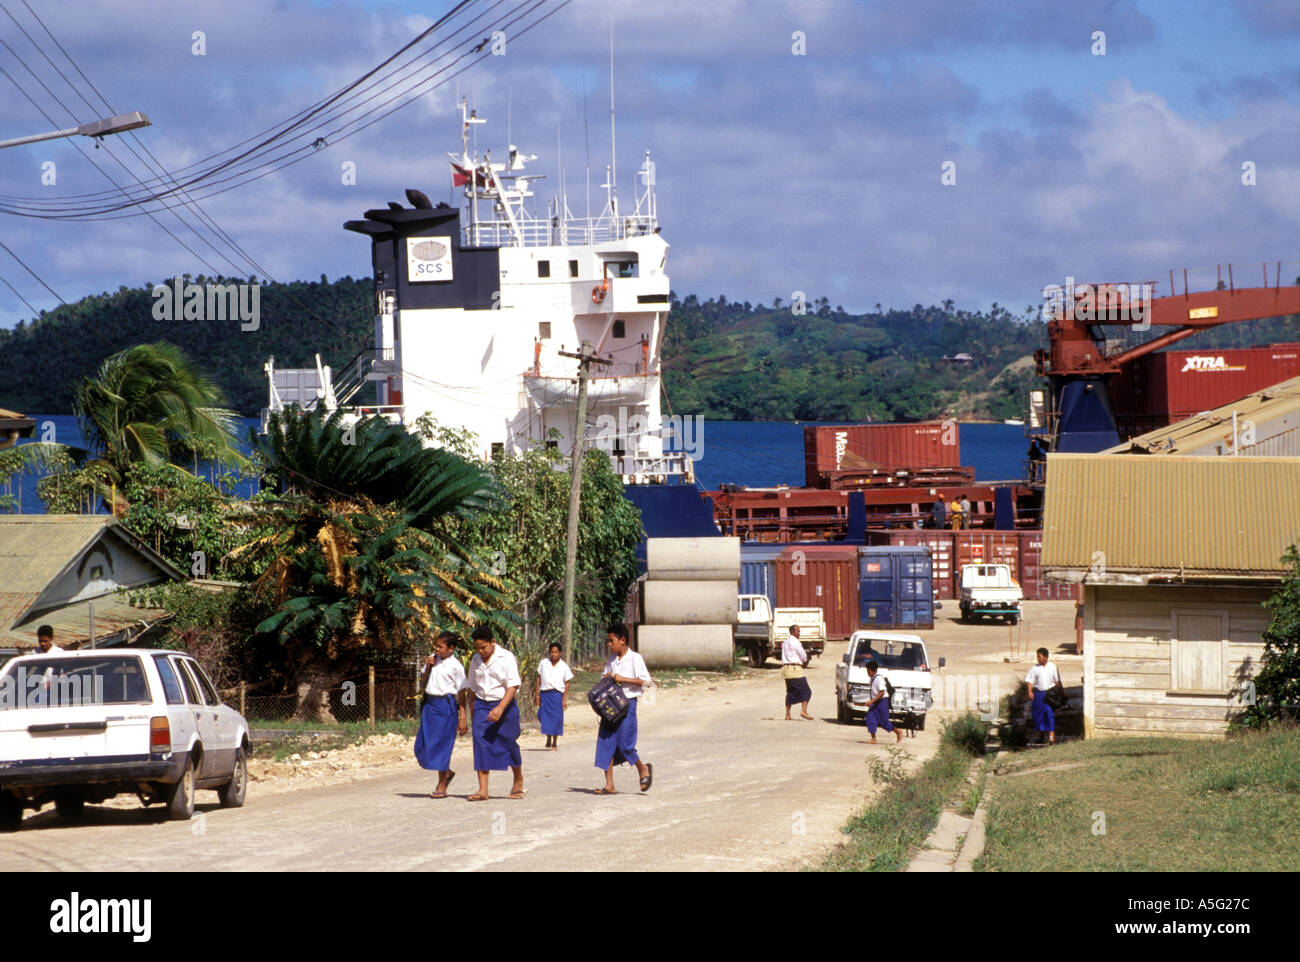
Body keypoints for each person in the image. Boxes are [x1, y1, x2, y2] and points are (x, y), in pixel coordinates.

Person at [463, 624, 525, 800]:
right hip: (482, 704)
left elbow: (513, 686)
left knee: (508, 741)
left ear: (492, 642)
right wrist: (471, 712)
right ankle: (483, 790)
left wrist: (500, 707)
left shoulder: (506, 657)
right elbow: (473, 688)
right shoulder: (475, 660)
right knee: (480, 742)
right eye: (477, 648)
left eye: (484, 647)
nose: (481, 651)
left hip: (504, 703)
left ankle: (518, 780)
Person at [594, 623, 653, 795]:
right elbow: (604, 678)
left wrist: (623, 679)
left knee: (626, 744)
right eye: (608, 641)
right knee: (606, 742)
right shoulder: (611, 660)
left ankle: (642, 768)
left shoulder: (635, 658)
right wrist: (607, 678)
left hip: (627, 704)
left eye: (612, 641)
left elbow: (645, 681)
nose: (609, 644)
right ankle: (609, 784)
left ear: (622, 640)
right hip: (610, 706)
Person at [414, 631, 466, 798]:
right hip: (430, 705)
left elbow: (462, 692)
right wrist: (428, 665)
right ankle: (447, 772)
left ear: (450, 648)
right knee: (422, 745)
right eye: (435, 646)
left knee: (442, 745)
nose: (436, 649)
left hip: (446, 705)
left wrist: (463, 717)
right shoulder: (433, 659)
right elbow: (423, 681)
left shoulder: (456, 666)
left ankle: (442, 784)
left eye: (440, 647)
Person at [533, 641, 574, 750]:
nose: (553, 654)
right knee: (542, 716)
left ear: (560, 653)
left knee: (556, 719)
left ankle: (554, 742)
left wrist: (564, 699)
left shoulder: (564, 666)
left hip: (556, 695)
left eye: (556, 652)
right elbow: (539, 678)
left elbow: (567, 682)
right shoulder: (543, 663)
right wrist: (537, 694)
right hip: (545, 694)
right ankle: (548, 737)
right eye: (551, 652)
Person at [1025, 647, 1064, 745]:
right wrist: (1030, 692)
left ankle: (1051, 738)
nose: (1037, 658)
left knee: (1049, 714)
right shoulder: (1035, 668)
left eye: (1039, 656)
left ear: (1045, 657)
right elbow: (1030, 680)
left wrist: (1061, 692)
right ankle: (1041, 736)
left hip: (1049, 695)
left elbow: (1057, 681)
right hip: (1038, 694)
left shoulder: (1052, 667)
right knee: (1039, 716)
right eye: (1037, 656)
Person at [863, 660, 902, 744]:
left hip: (882, 702)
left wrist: (872, 701)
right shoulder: (872, 679)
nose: (867, 673)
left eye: (868, 671)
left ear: (871, 670)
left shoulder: (879, 679)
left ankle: (898, 732)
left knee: (884, 721)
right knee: (870, 718)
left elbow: (882, 692)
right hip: (875, 702)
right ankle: (873, 738)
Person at [781, 624, 813, 721]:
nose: (799, 633)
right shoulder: (795, 642)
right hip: (795, 668)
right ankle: (803, 711)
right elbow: (803, 656)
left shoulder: (785, 642)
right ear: (792, 632)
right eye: (798, 631)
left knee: (790, 691)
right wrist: (804, 659)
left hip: (786, 669)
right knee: (806, 690)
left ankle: (787, 715)